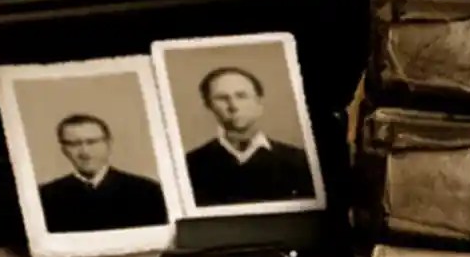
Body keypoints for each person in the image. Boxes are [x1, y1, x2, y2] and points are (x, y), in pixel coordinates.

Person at [185, 66, 315, 207]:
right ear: (208, 105)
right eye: (222, 98)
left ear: (259, 102)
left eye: (241, 96)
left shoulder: (302, 161)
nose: (233, 106)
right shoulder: (189, 166)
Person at [38, 113, 168, 233]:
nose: (85, 152)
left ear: (108, 144)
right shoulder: (44, 198)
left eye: (92, 142)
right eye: (74, 144)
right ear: (63, 149)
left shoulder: (148, 192)